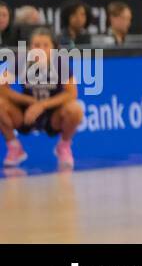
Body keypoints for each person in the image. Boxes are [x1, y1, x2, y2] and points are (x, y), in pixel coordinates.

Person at [0, 27, 84, 169]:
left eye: (45, 45)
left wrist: (42, 105)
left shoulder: (60, 64)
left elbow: (72, 93)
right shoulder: (20, 62)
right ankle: (14, 147)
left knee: (76, 109)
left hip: (53, 115)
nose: (40, 49)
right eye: (36, 45)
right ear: (29, 48)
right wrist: (30, 102)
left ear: (54, 49)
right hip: (26, 113)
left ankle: (64, 146)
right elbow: (2, 88)